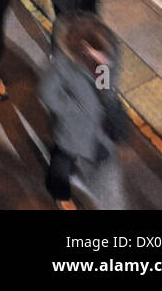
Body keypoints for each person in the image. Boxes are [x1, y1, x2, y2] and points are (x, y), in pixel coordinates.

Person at [39, 12, 125, 211]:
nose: (107, 59)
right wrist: (73, 109)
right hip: (72, 129)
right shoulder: (64, 63)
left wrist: (106, 99)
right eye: (101, 53)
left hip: (98, 126)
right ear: (85, 49)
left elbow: (107, 84)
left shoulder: (107, 50)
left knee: (94, 154)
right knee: (62, 163)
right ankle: (60, 193)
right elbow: (47, 92)